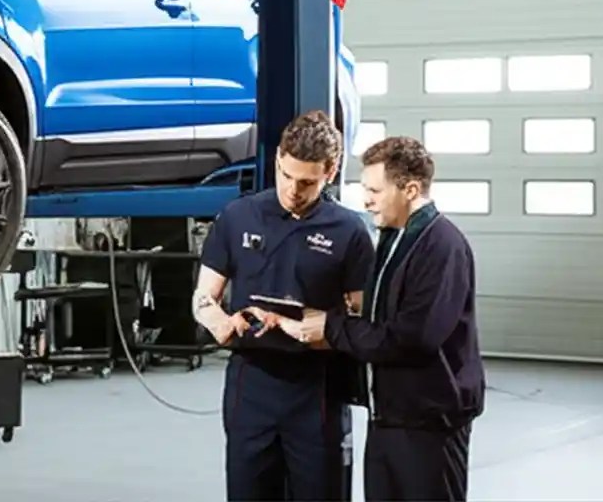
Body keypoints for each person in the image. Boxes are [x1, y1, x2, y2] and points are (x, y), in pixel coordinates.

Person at [256, 135, 486, 502]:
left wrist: (331, 329)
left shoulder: (441, 246)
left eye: (375, 191)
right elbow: (376, 315)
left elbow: (412, 338)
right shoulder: (395, 239)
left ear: (410, 189)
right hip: (390, 416)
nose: (366, 200)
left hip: (429, 424)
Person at [192, 110, 376, 501]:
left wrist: (324, 327)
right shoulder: (237, 217)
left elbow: (363, 319)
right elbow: (204, 296)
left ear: (330, 171)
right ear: (277, 159)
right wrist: (218, 321)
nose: (293, 189)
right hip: (251, 385)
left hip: (317, 389)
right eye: (287, 176)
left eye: (307, 183)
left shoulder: (349, 232)